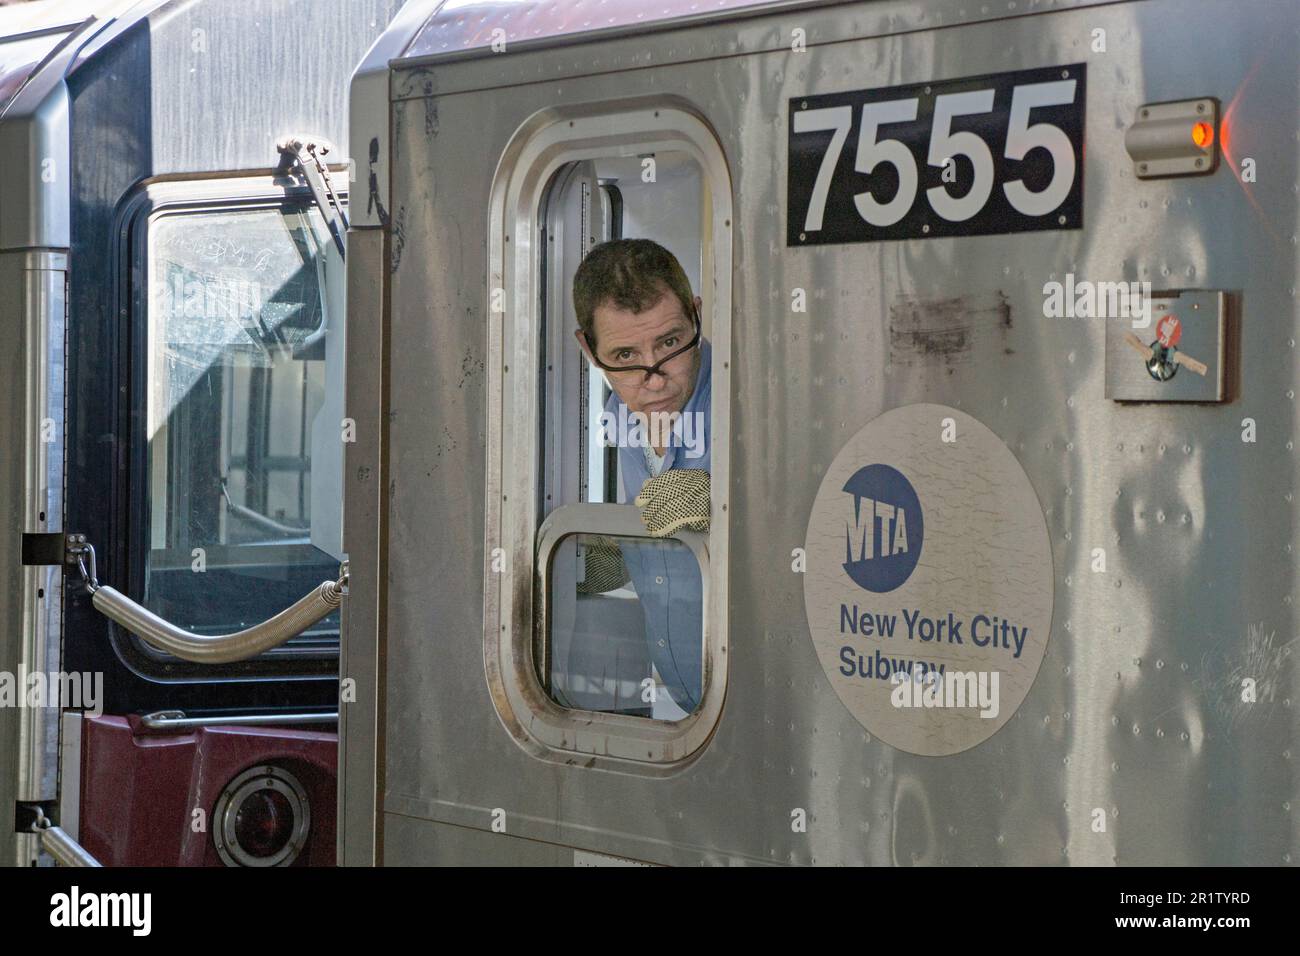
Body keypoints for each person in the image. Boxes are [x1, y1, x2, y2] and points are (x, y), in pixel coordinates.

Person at [572, 238, 711, 713]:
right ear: (588, 350)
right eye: (626, 356)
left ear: (695, 314)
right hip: (687, 701)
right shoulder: (622, 414)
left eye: (670, 342)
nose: (653, 377)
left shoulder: (752, 391)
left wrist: (735, 502)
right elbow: (652, 544)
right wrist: (574, 567)